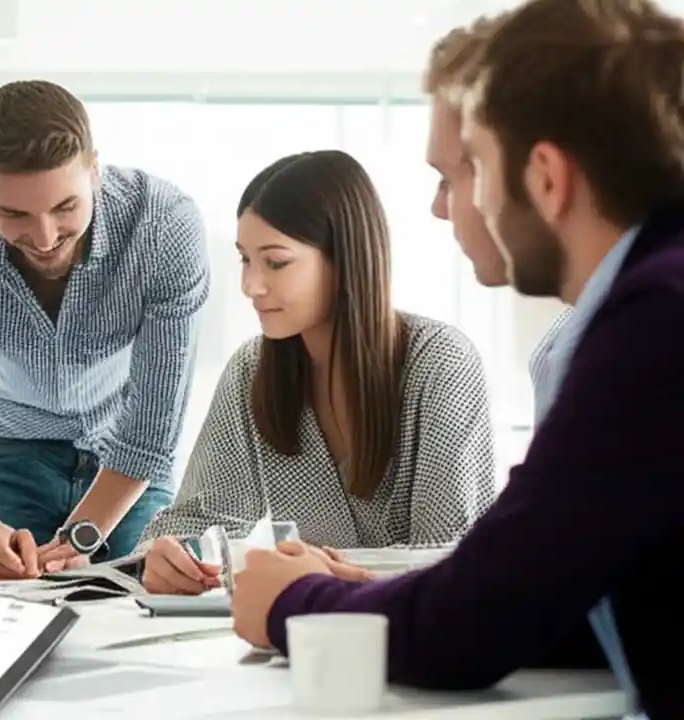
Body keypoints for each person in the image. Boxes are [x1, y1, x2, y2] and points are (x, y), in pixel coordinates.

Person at [231, 2, 684, 717]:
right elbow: (551, 592)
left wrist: (298, 604)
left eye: (468, 168)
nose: (445, 210)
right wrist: (358, 597)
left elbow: (476, 623)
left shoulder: (657, 322)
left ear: (544, 178)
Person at [137, 150, 496, 595]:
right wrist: (167, 555)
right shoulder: (251, 371)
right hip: (313, 631)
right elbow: (194, 521)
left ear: (345, 259)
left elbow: (452, 555)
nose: (251, 286)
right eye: (245, 259)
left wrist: (320, 577)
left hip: (421, 638)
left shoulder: (441, 363)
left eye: (276, 262)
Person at [0, 80, 209, 579]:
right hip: (8, 452)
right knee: (4, 599)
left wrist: (81, 535)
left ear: (94, 170)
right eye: (14, 213)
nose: (44, 238)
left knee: (157, 583)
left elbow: (154, 421)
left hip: (125, 459)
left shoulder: (165, 227)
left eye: (65, 207)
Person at [423, 13, 572, 417]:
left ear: (542, 174)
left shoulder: (638, 341)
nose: (439, 208)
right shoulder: (566, 343)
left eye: (451, 178)